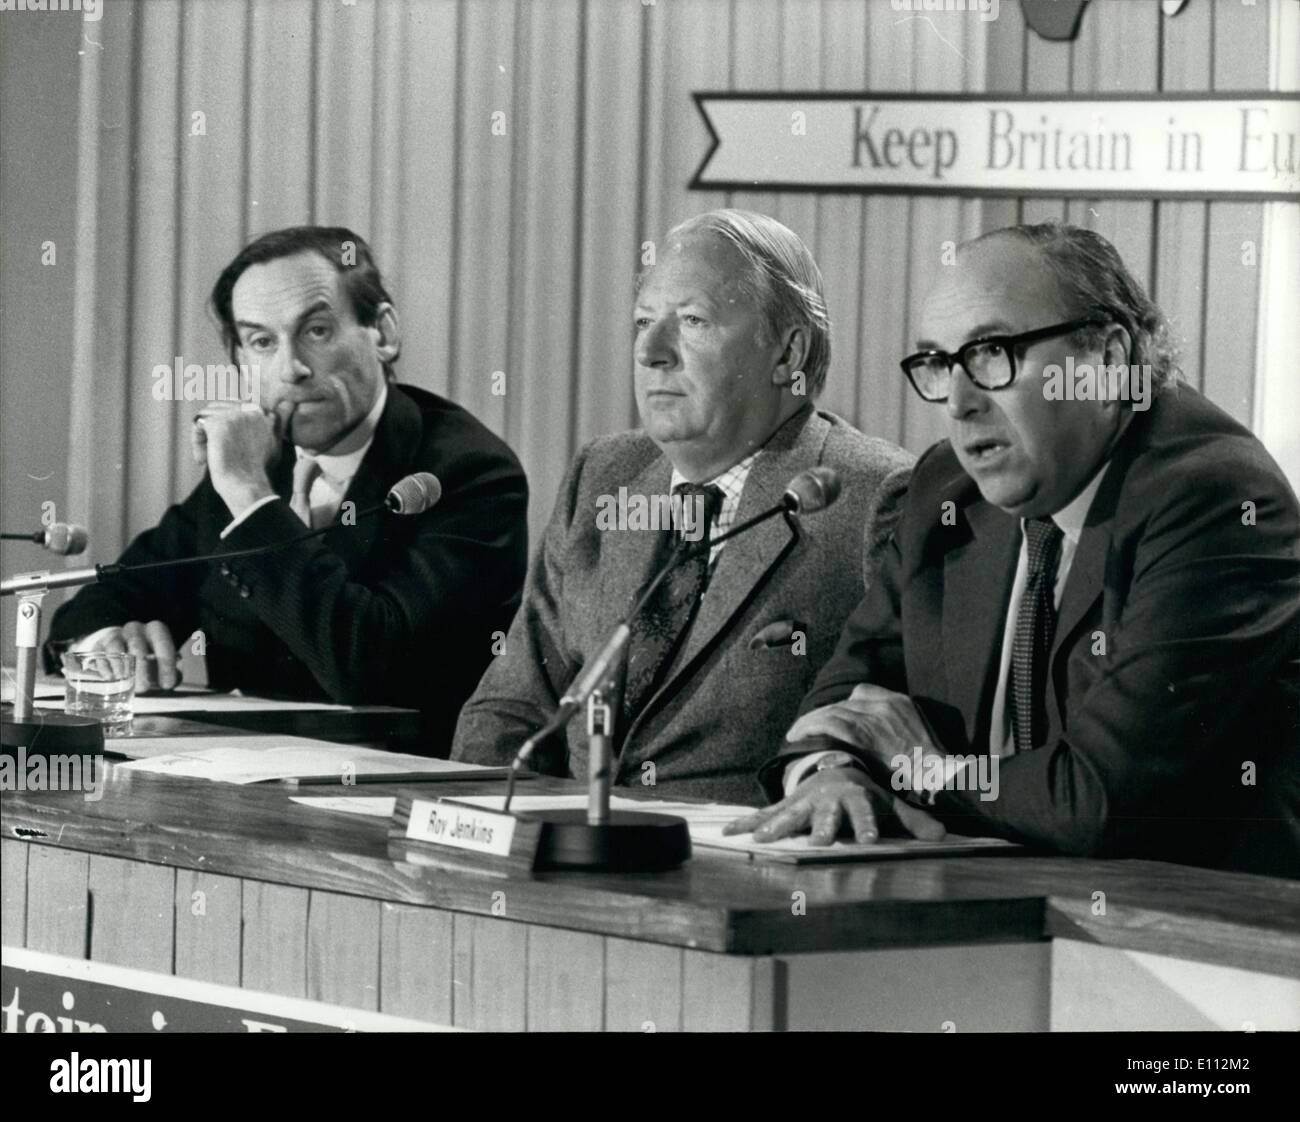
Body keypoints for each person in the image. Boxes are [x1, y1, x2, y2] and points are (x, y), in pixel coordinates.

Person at [732, 223, 1300, 878]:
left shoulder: (1214, 498)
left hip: (1191, 947)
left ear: (1108, 362)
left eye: (993, 354)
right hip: (992, 916)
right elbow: (847, 694)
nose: (960, 402)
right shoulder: (946, 490)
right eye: (941, 365)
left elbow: (1097, 800)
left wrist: (927, 772)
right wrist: (833, 775)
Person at [451, 210, 913, 804]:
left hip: (744, 866)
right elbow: (512, 704)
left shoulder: (874, 496)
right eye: (643, 322)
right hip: (568, 853)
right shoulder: (603, 476)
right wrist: (474, 827)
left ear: (787, 353)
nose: (650, 351)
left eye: (692, 321)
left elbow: (882, 729)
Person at [45, 226, 529, 749]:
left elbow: (368, 664)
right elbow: (100, 603)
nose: (290, 369)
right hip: (239, 791)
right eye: (261, 342)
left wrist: (251, 496)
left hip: (397, 796)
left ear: (382, 333)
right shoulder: (255, 464)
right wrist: (107, 643)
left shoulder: (469, 471)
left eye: (316, 332)